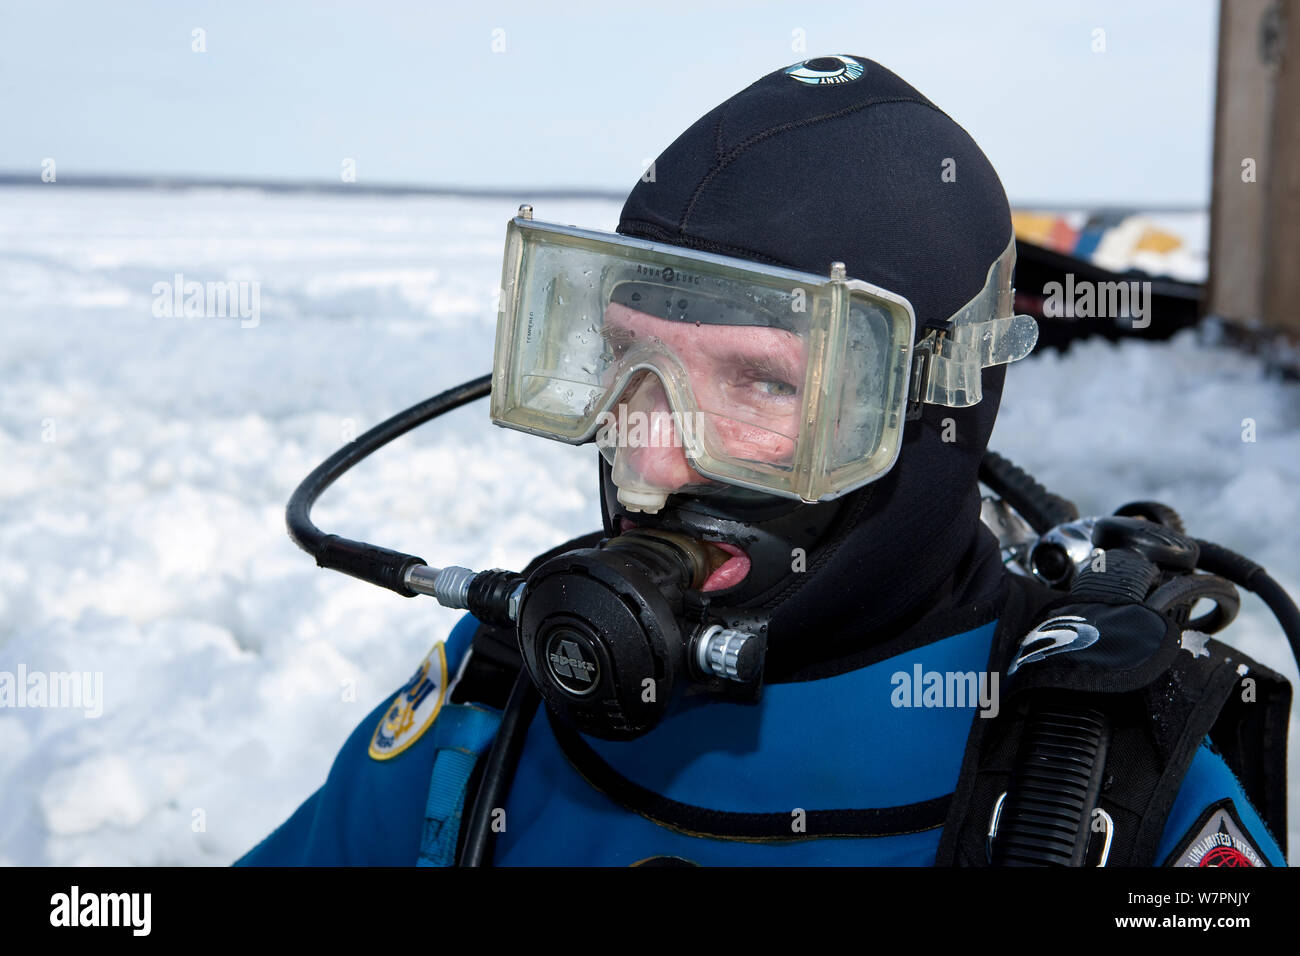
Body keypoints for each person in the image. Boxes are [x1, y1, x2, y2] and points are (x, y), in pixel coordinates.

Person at [237, 55, 1288, 867]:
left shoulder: (1112, 784)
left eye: (762, 383)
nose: (647, 454)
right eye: (626, 361)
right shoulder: (499, 691)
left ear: (937, 400)